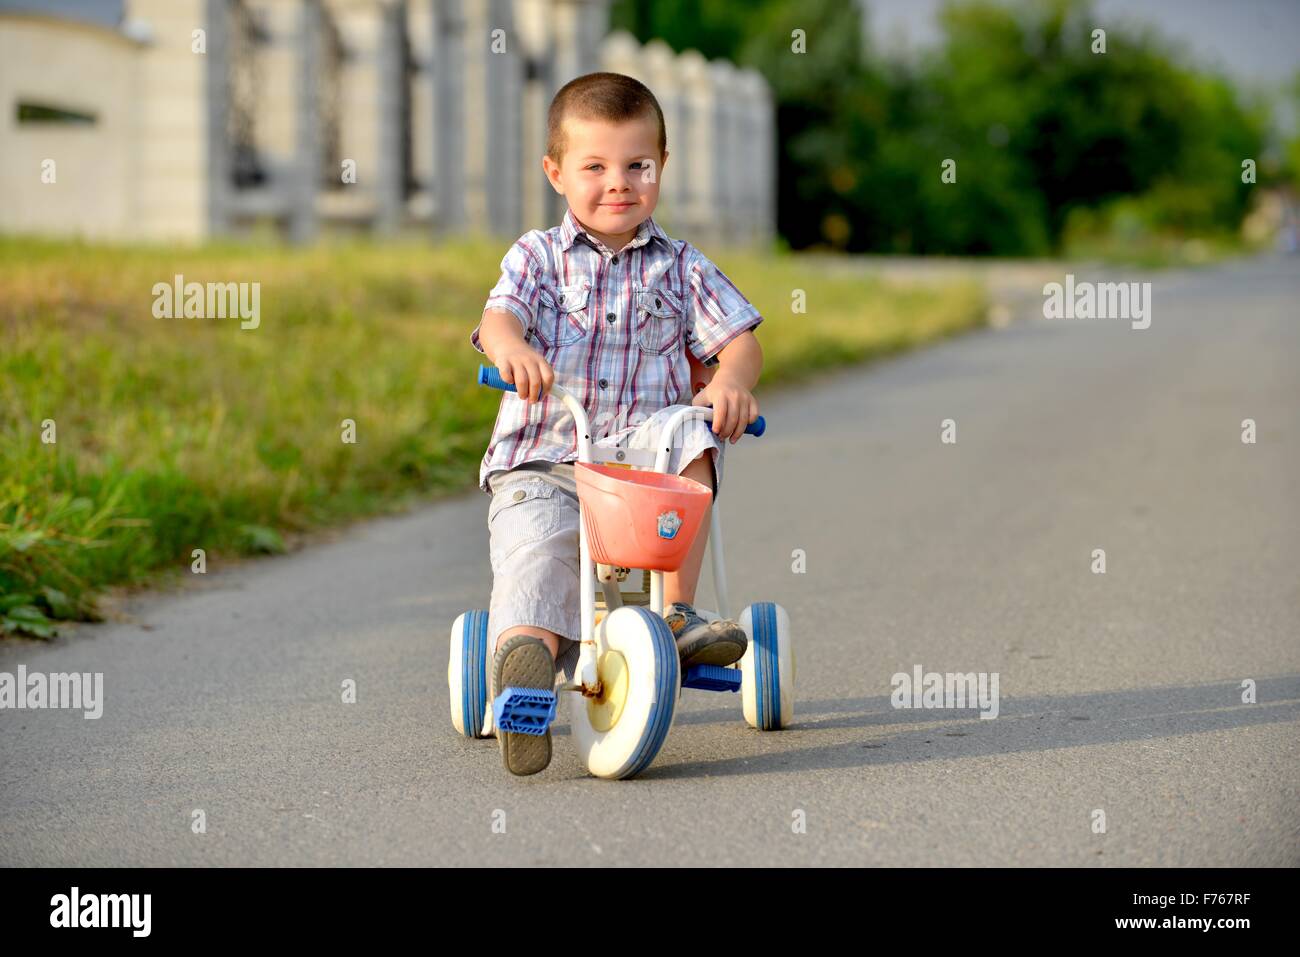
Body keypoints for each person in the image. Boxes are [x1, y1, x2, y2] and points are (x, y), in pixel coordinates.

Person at [470, 71, 765, 775]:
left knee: (693, 428)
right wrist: (509, 346)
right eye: (595, 166)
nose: (619, 183)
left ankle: (676, 615)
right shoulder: (537, 257)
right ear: (556, 172)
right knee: (537, 557)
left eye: (638, 165)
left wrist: (729, 381)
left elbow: (740, 341)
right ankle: (527, 674)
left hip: (642, 472)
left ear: (662, 166)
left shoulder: (681, 266)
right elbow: (501, 313)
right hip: (547, 459)